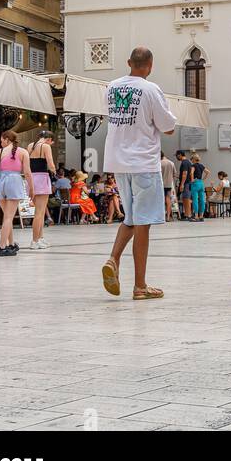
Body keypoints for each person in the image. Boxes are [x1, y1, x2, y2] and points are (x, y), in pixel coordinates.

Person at [100, 47, 176, 301]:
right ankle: (140, 286)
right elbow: (167, 126)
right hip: (143, 162)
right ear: (150, 65)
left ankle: (113, 259)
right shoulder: (150, 89)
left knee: (131, 217)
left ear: (129, 62)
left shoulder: (112, 87)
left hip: (118, 162)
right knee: (142, 224)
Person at [0, 130, 33, 257]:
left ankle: (11, 243)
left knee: (7, 216)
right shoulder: (23, 152)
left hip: (1, 183)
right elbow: (28, 173)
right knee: (8, 217)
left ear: (7, 139)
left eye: (2, 141)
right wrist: (31, 188)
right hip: (15, 181)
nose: (1, 143)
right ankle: (1, 247)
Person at [25, 131, 55, 249]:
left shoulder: (30, 146)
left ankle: (40, 238)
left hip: (32, 178)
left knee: (40, 212)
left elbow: (27, 163)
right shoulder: (46, 146)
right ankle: (35, 240)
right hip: (42, 178)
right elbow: (51, 164)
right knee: (40, 212)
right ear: (48, 139)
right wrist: (54, 171)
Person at [175, 150, 193, 221]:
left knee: (186, 199)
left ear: (180, 155)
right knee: (185, 199)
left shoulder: (184, 163)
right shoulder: (188, 162)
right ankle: (186, 214)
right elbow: (190, 173)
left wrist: (182, 184)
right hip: (188, 183)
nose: (176, 157)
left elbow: (185, 174)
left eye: (177, 155)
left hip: (186, 183)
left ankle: (188, 215)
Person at [159, 151, 177, 222]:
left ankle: (161, 217)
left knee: (160, 200)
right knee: (168, 199)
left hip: (160, 184)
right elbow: (174, 174)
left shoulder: (159, 163)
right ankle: (168, 217)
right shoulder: (171, 163)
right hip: (169, 184)